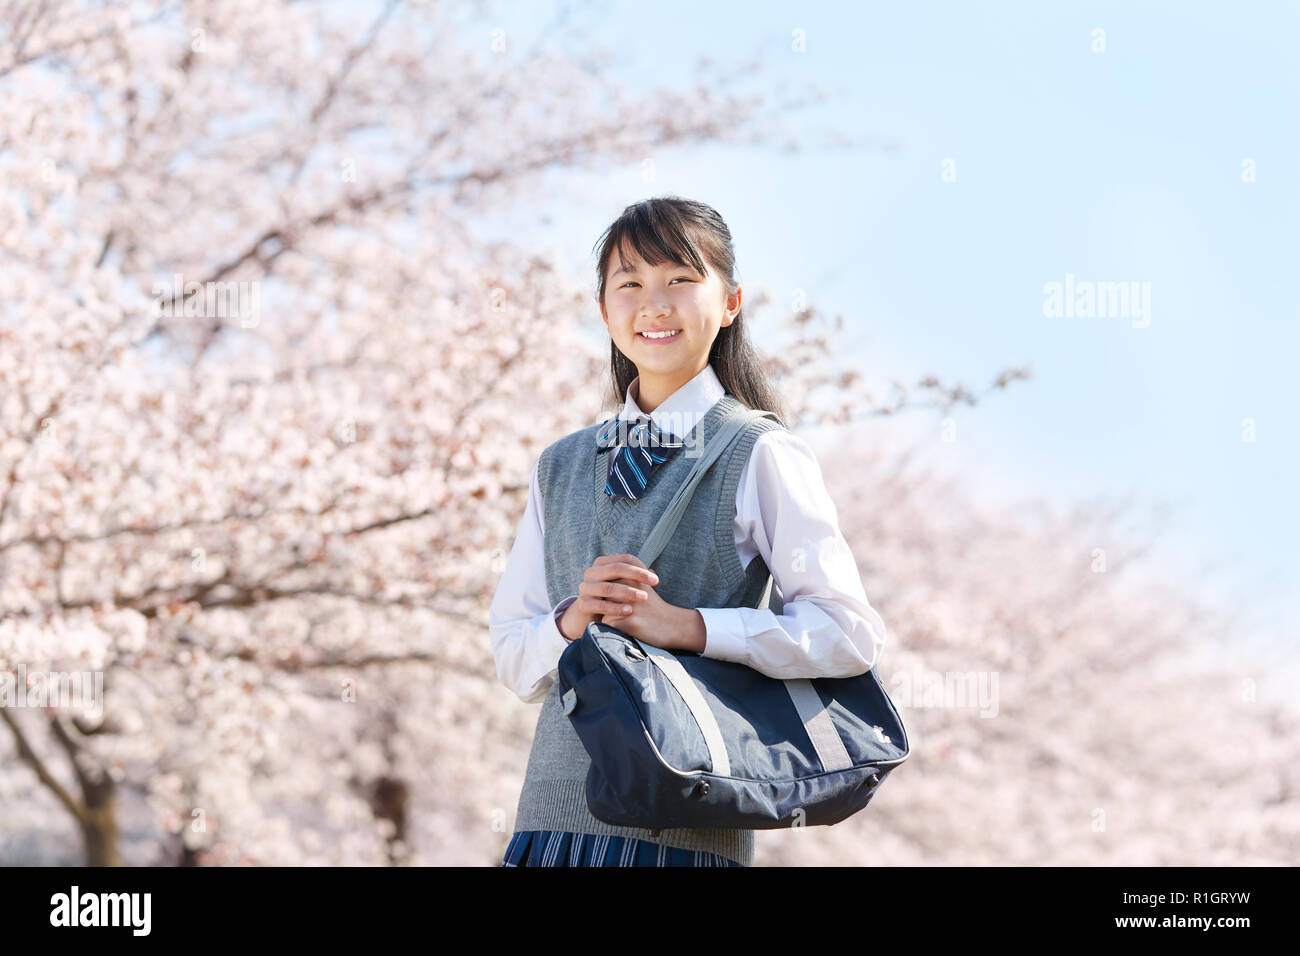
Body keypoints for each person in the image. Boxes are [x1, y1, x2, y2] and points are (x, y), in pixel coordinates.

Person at [488, 195, 887, 867]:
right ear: (604, 310)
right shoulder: (558, 466)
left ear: (730, 302)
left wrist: (691, 627)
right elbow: (513, 657)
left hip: (684, 837)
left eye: (680, 279)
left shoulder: (758, 451)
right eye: (631, 284)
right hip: (548, 825)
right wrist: (573, 619)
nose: (655, 304)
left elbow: (848, 634)